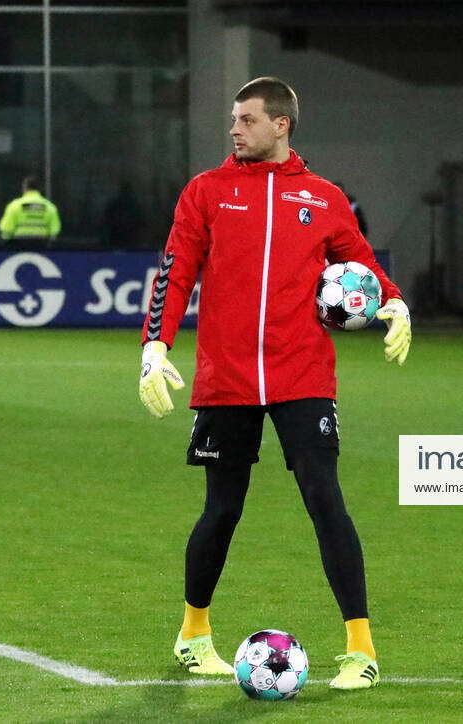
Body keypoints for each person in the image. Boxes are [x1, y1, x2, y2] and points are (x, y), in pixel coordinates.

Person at [138, 76, 411, 691]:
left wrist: (394, 302)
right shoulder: (206, 192)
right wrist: (155, 346)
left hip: (302, 373)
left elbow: (360, 262)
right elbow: (175, 271)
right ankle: (193, 634)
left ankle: (361, 651)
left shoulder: (322, 196)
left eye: (247, 119)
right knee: (222, 509)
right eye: (234, 120)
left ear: (281, 125)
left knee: (325, 500)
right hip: (226, 377)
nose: (234, 129)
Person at [0, 175, 61, 244]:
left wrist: (6, 245)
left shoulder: (14, 206)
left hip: (19, 246)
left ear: (24, 188)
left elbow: (6, 229)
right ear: (39, 189)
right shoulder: (50, 207)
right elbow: (55, 230)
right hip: (42, 246)